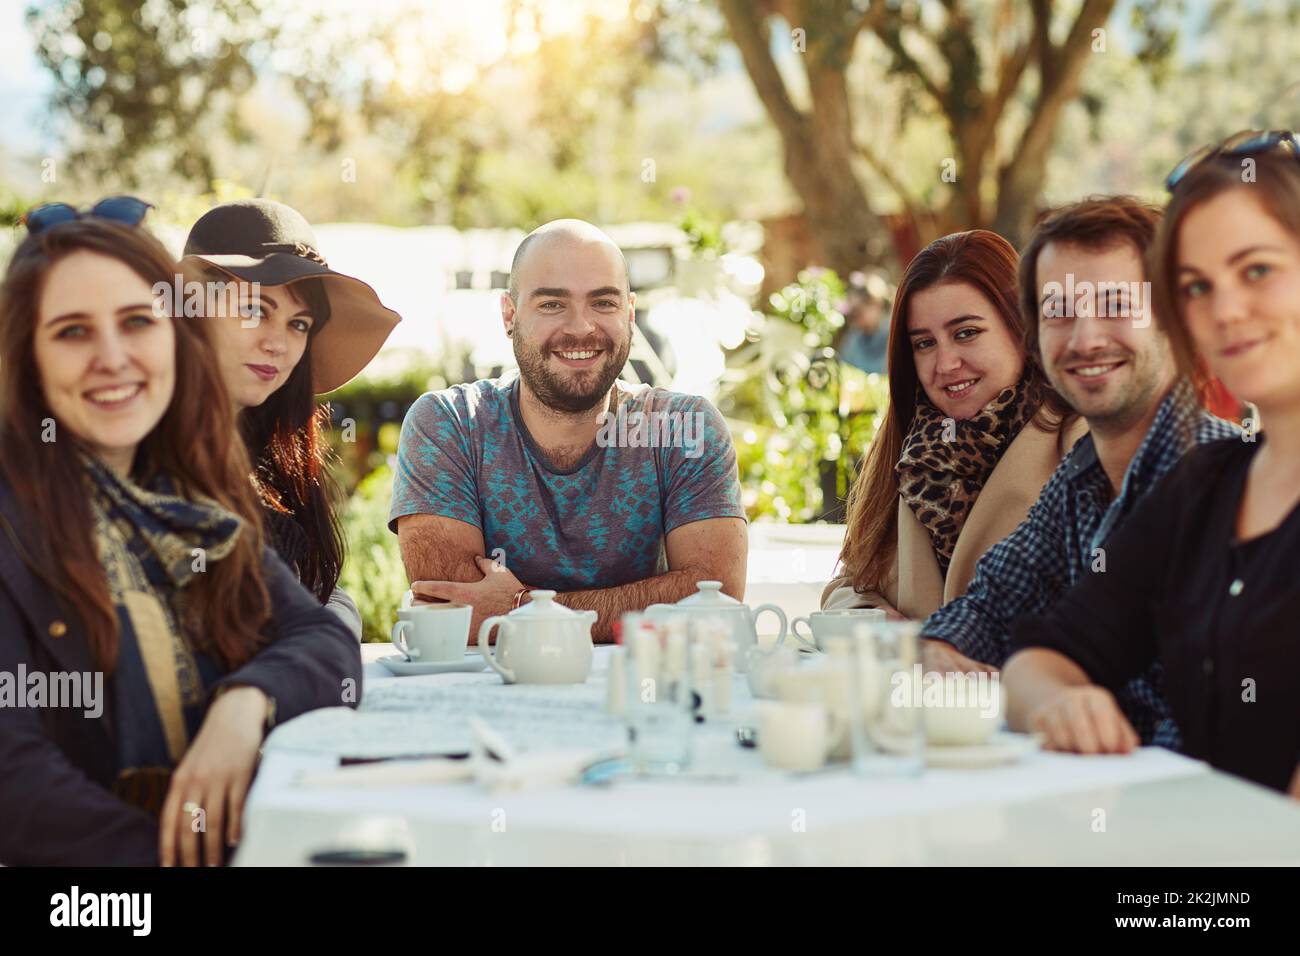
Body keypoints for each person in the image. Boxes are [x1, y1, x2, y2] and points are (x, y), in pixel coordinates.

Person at [0, 208, 362, 866]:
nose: (113, 358)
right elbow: (17, 789)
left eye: (137, 322)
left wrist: (247, 699)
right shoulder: (14, 525)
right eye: (73, 331)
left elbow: (322, 639)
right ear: (27, 356)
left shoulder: (185, 506)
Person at [1004, 134, 1300, 797]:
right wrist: (1056, 702)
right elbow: (1043, 656)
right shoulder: (1210, 484)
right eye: (1196, 286)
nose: (1224, 311)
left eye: (1256, 270)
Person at [918, 197, 1239, 748]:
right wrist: (939, 653)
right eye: (1059, 311)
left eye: (1116, 304)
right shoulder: (1079, 477)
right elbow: (987, 611)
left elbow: (1219, 731)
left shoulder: (1225, 480)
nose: (1085, 338)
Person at [389, 219, 747, 641]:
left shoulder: (682, 428)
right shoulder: (450, 424)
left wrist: (520, 608)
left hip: (639, 693)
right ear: (509, 314)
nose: (580, 327)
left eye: (603, 303)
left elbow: (713, 600)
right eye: (552, 304)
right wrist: (629, 607)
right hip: (490, 694)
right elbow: (453, 611)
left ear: (629, 314)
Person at [824, 230, 1083, 621]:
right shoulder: (909, 445)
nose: (945, 364)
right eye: (924, 343)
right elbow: (848, 586)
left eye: (966, 334)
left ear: (1022, 328)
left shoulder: (1082, 441)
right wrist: (884, 626)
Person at [182, 199, 401, 639]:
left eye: (298, 324)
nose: (278, 344)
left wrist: (320, 634)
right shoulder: (140, 451)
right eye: (253, 311)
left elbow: (326, 595)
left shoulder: (271, 457)